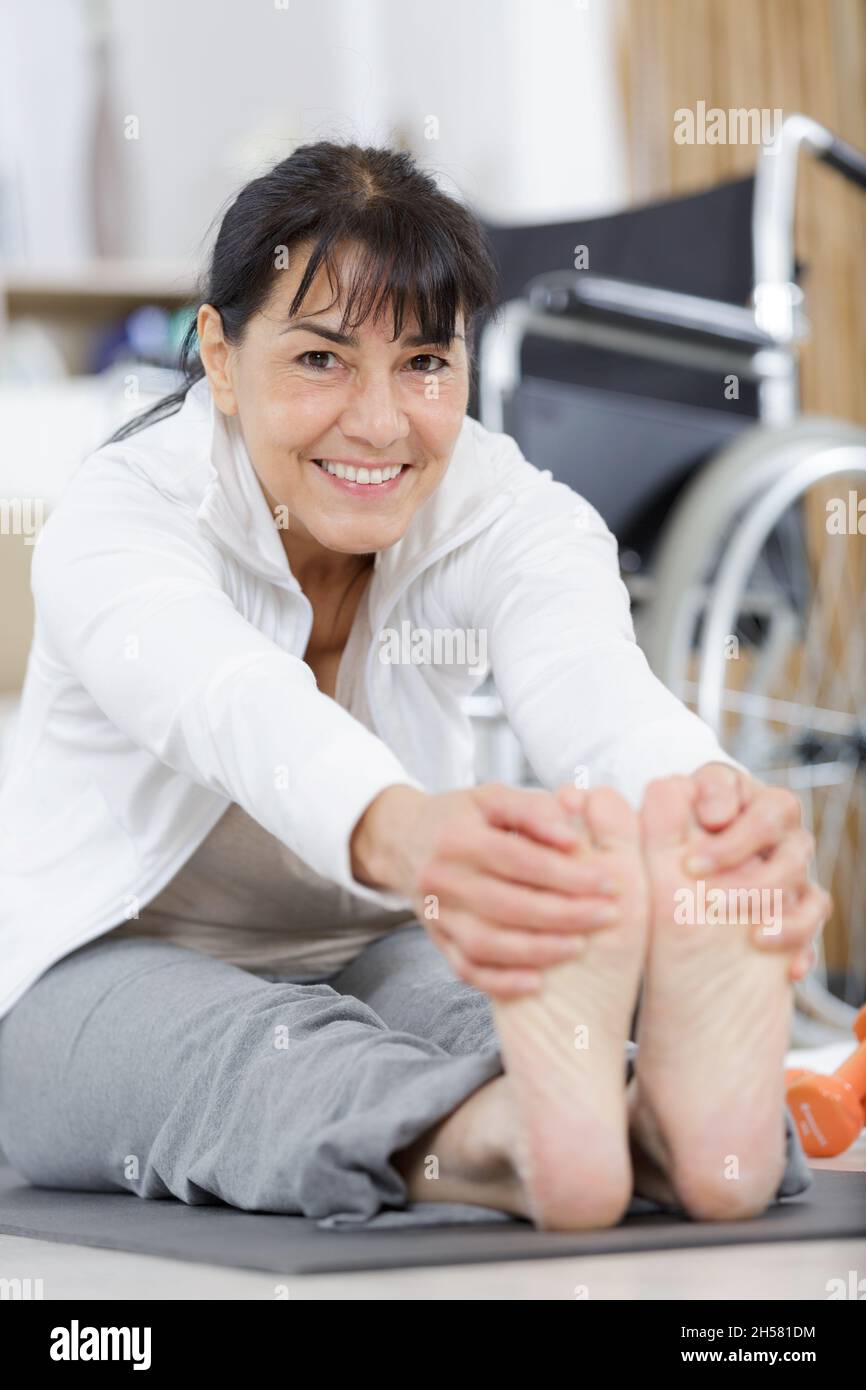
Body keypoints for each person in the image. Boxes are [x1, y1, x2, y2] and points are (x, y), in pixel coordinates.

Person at [0, 142, 829, 1231]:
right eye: (320, 360)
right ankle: (543, 1139)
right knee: (249, 1056)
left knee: (471, 1008)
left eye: (424, 364)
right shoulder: (121, 517)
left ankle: (656, 1127)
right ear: (217, 352)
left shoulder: (498, 503)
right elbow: (230, 702)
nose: (382, 424)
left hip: (372, 942)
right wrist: (410, 831)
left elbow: (590, 685)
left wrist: (714, 819)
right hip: (94, 965)